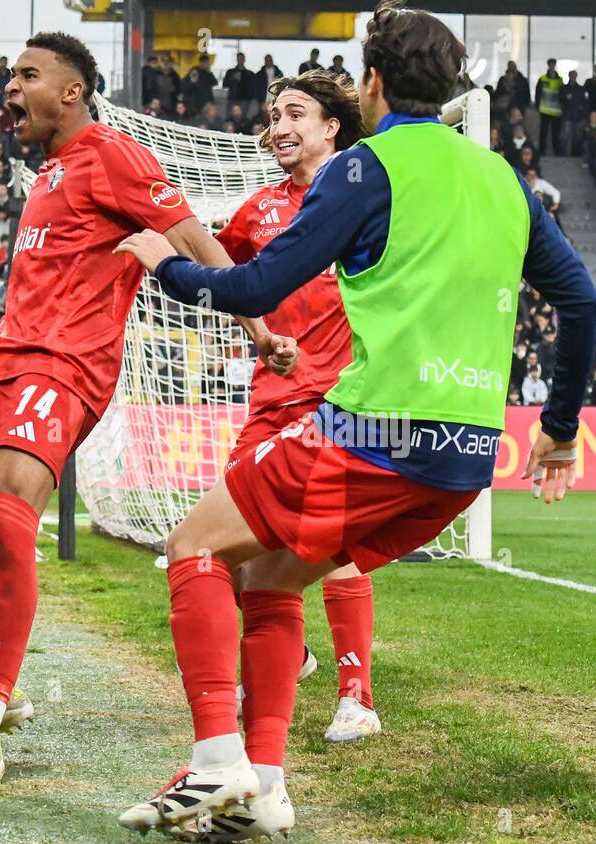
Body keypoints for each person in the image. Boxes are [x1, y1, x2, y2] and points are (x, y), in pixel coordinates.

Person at [112, 0, 596, 840]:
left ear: (371, 84)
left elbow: (255, 289)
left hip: (372, 431)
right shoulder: (504, 180)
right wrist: (558, 428)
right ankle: (264, 791)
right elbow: (583, 303)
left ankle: (216, 760)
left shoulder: (366, 167)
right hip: (464, 459)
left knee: (191, 547)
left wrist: (165, 267)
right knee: (271, 578)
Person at [0, 31, 296, 789]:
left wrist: (256, 325)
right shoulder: (49, 171)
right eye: (10, 75)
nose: (10, 88)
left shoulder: (115, 153)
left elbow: (189, 234)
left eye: (27, 75)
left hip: (65, 367)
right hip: (1, 363)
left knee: (4, 511)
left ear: (71, 91)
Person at [213, 73, 386, 798]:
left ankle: (358, 698)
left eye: (294, 114)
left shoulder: (362, 198)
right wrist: (260, 336)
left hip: (340, 397)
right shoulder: (258, 208)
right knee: (231, 556)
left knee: (331, 544)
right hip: (270, 402)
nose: (278, 126)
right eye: (271, 116)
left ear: (332, 128)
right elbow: (225, 273)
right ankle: (294, 658)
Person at [534, 59, 563, 157]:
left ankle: (557, 152)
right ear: (548, 65)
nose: (552, 66)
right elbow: (537, 94)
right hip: (545, 110)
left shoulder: (560, 80)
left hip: (556, 111)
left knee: (556, 133)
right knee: (543, 132)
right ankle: (542, 152)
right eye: (550, 64)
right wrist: (538, 106)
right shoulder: (542, 79)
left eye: (553, 64)